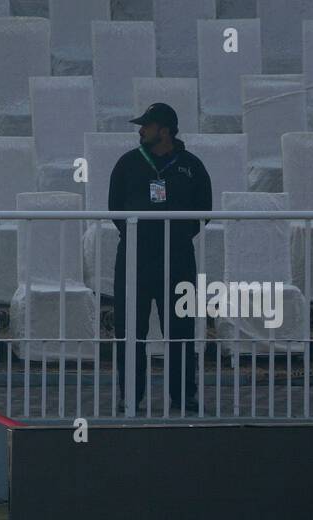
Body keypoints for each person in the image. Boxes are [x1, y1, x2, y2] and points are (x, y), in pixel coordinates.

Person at [108, 102, 213, 414]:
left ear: (164, 130)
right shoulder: (128, 163)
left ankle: (184, 395)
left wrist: (177, 237)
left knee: (180, 330)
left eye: (147, 125)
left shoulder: (191, 165)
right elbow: (115, 208)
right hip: (134, 259)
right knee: (130, 330)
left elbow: (203, 211)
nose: (141, 130)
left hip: (178, 258)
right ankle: (130, 396)